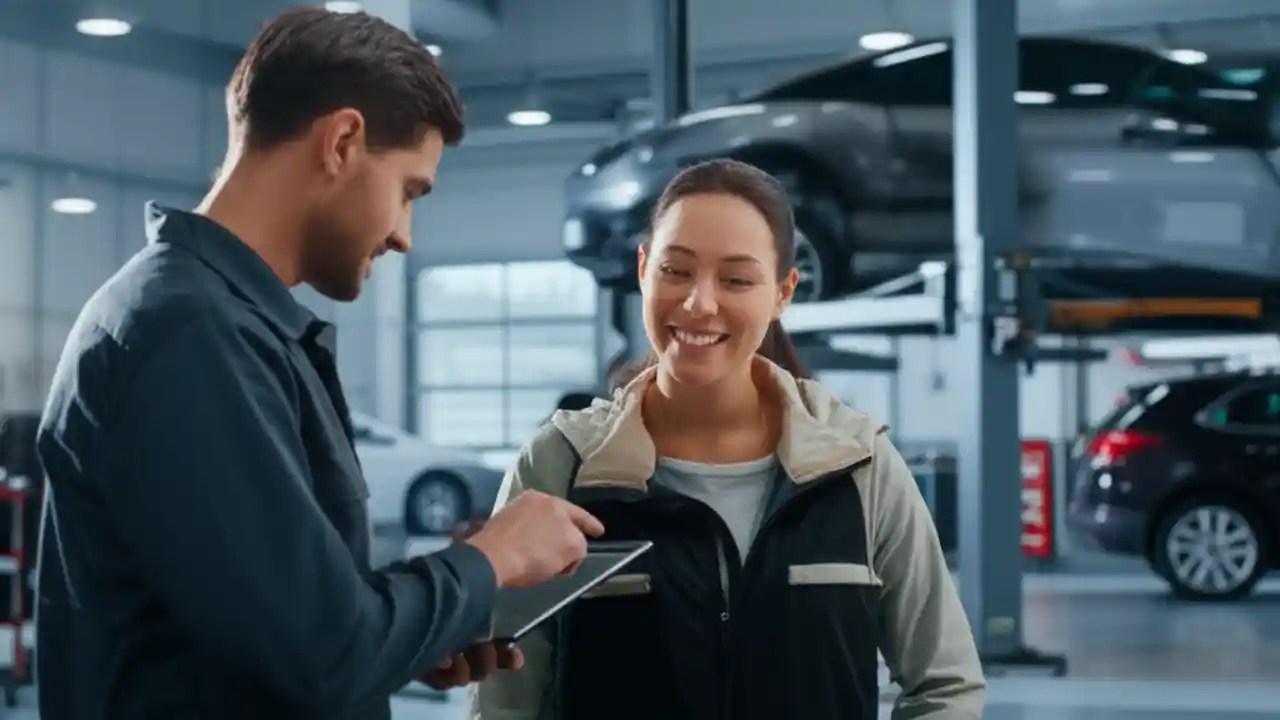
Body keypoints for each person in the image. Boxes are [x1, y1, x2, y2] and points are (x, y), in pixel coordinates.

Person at [33, 7, 602, 720]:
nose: (403, 235)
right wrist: (491, 559)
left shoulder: (223, 324)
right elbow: (324, 655)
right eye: (408, 192)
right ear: (342, 142)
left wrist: (418, 632)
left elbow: (279, 624)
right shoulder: (189, 335)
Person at [475, 159, 985, 720]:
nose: (699, 303)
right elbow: (503, 703)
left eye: (737, 279)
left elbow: (945, 684)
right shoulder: (562, 466)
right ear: (643, 269)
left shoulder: (859, 465)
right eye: (676, 270)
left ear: (783, 293)